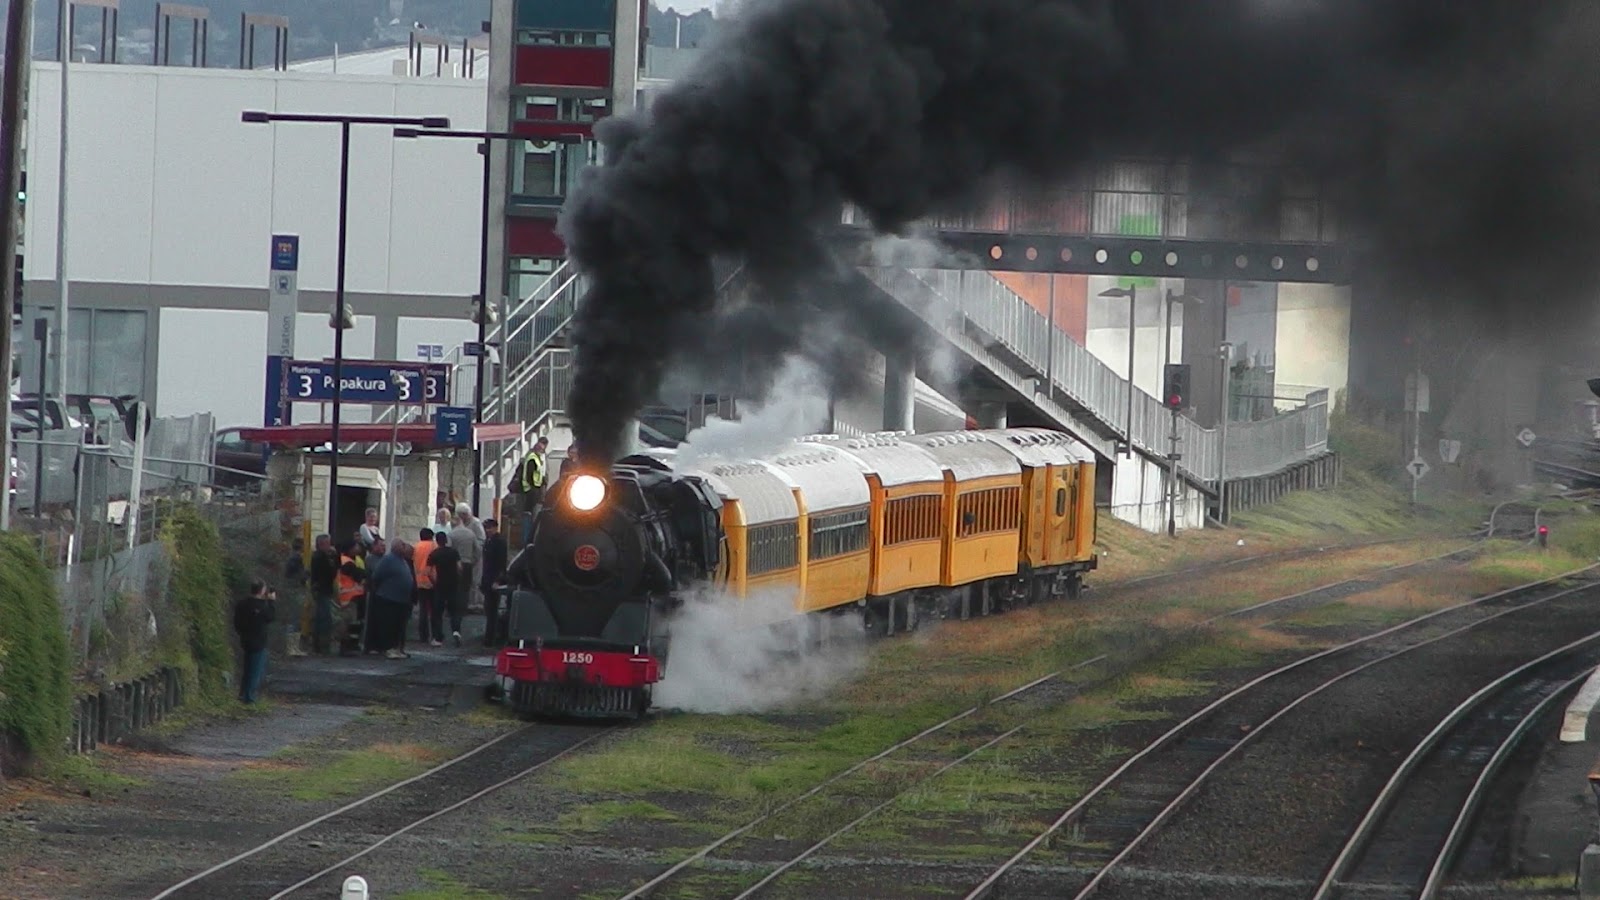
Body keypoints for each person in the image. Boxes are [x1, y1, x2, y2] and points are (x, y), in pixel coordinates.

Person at [367, 539, 415, 659]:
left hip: (401, 600)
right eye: (403, 545)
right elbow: (376, 576)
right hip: (388, 598)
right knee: (388, 624)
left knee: (398, 625)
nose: (405, 548)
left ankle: (396, 647)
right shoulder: (388, 560)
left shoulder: (402, 561)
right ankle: (388, 648)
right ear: (396, 548)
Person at [232, 580, 276, 704]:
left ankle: (243, 693)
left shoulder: (242, 604)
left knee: (247, 668)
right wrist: (271, 602)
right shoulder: (261, 606)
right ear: (262, 590)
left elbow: (237, 622)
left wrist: (241, 632)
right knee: (255, 670)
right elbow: (271, 617)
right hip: (259, 641)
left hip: (245, 639)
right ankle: (249, 697)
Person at [428, 530, 463, 647]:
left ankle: (438, 638)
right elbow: (459, 567)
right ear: (446, 540)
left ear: (437, 541)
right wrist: (457, 578)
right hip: (453, 585)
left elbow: (429, 572)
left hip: (440, 586)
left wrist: (434, 582)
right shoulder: (454, 552)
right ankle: (456, 630)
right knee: (455, 611)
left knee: (438, 613)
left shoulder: (434, 554)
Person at [308, 533, 340, 655]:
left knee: (321, 617)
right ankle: (321, 645)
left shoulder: (321, 556)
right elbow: (330, 572)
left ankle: (319, 644)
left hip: (323, 589)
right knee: (324, 618)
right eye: (328, 543)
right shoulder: (319, 557)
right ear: (322, 544)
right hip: (322, 590)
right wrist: (333, 558)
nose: (330, 546)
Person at [480, 518, 509, 648]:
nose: (487, 531)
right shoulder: (488, 541)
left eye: (489, 528)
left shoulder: (500, 542)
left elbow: (502, 563)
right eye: (486, 528)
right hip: (487, 579)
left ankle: (491, 638)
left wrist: (498, 580)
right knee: (489, 609)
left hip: (494, 579)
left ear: (495, 528)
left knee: (492, 610)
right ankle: (489, 636)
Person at [335, 539, 367, 656]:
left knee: (353, 623)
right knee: (350, 623)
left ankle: (351, 645)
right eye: (356, 546)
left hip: (351, 595)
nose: (358, 548)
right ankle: (348, 646)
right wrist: (364, 576)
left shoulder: (349, 560)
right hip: (349, 597)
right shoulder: (347, 562)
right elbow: (358, 574)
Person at [452, 503, 485, 616]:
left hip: (474, 557)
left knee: (475, 581)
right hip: (463, 558)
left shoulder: (475, 523)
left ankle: (475, 604)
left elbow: (481, 540)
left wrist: (475, 556)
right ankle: (466, 603)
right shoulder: (460, 524)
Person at [283, 539, 308, 657]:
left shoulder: (290, 558)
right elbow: (299, 576)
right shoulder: (296, 559)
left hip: (291, 589)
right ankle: (292, 647)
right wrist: (306, 575)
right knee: (294, 618)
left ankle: (293, 647)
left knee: (294, 618)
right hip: (295, 589)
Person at [414, 527, 439, 645]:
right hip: (432, 580)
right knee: (434, 610)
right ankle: (435, 635)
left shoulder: (416, 547)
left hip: (419, 581)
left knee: (423, 610)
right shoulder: (433, 546)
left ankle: (423, 636)